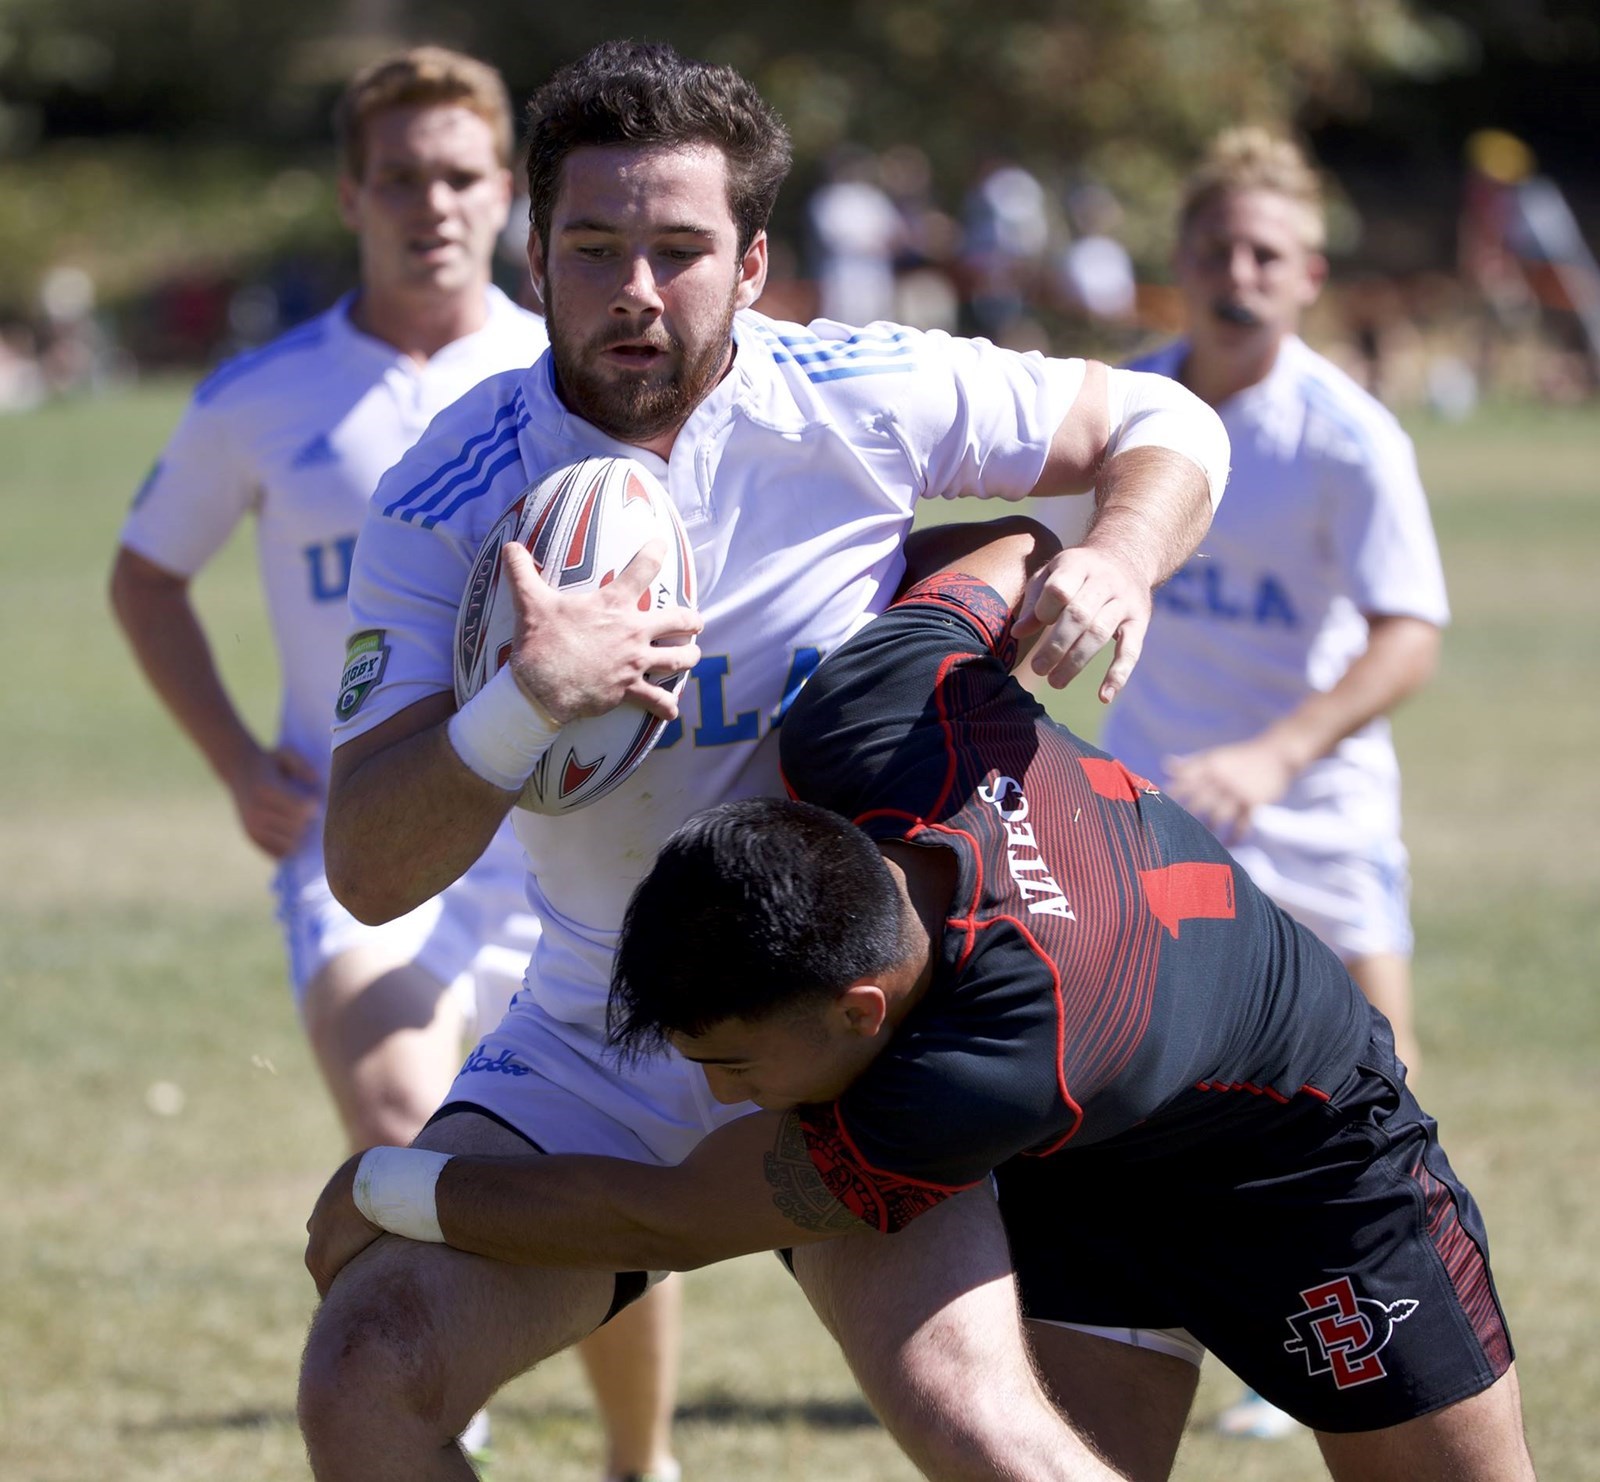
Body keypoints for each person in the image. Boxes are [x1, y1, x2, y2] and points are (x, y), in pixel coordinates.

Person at [296, 40, 1229, 1481]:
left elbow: (1165, 420)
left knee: (981, 1425)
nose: (635, 290)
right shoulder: (444, 494)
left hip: (857, 1025)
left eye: (679, 251)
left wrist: (1117, 552)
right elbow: (366, 868)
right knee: (365, 1373)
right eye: (593, 249)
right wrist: (527, 701)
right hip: (601, 1025)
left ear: (751, 264)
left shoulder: (859, 390)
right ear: (534, 257)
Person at [307, 517, 1534, 1482]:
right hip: (1077, 1177)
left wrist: (388, 1186)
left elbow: (668, 1219)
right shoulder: (874, 707)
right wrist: (1062, 569)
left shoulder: (983, 1067)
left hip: (1304, 1173)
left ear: (859, 1010)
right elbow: (1006, 542)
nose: (713, 1092)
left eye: (733, 1067)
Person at [108, 46, 682, 1482]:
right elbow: (144, 575)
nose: (432, 203)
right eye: (401, 176)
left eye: (461, 175)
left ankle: (639, 1459)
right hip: (367, 841)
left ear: (506, 198)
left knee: (597, 1174)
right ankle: (431, 1410)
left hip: (567, 845)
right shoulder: (262, 395)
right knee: (398, 1122)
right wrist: (237, 758)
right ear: (352, 194)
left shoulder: (574, 374)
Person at [1078, 125, 1452, 1445]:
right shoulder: (1124, 409)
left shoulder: (1348, 438)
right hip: (1153, 813)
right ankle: (1171, 1323)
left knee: (1371, 1090)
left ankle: (1372, 1337)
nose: (1238, 274)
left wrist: (1276, 754)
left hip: (1319, 817)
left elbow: (1409, 631)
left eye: (1266, 255)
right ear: (1178, 258)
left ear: (1309, 276)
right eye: (1216, 248)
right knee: (1154, 1091)